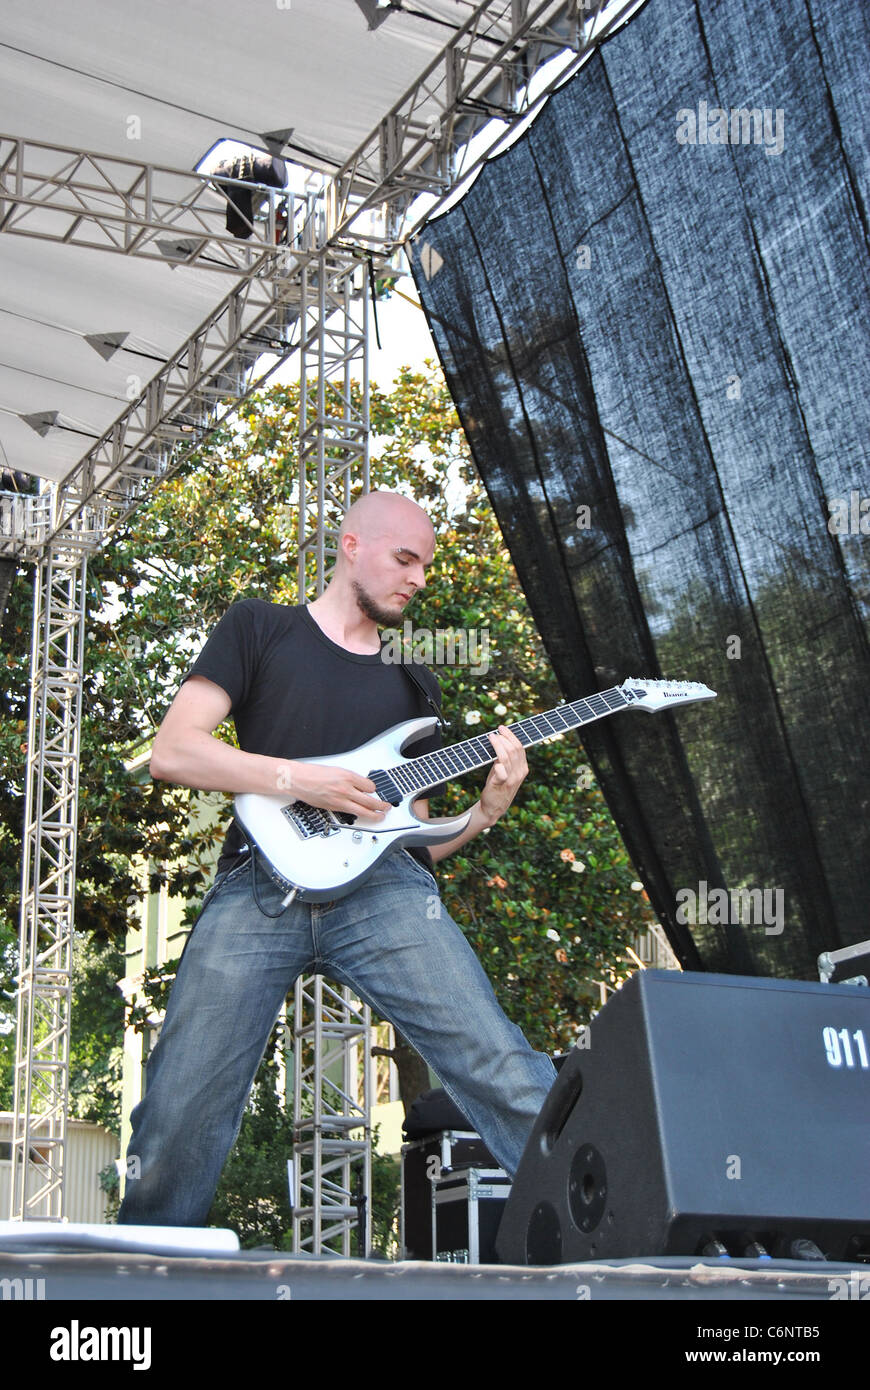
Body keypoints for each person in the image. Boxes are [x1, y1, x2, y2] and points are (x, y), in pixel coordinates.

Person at [118, 490, 557, 1227]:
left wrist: (484, 811)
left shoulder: (415, 680)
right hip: (257, 885)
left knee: (502, 1066)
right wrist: (297, 777)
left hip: (386, 893)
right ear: (352, 546)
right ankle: (137, 1285)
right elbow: (174, 751)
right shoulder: (259, 627)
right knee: (180, 1105)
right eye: (405, 559)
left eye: (426, 567)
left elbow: (417, 839)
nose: (418, 579)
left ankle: (621, 1234)